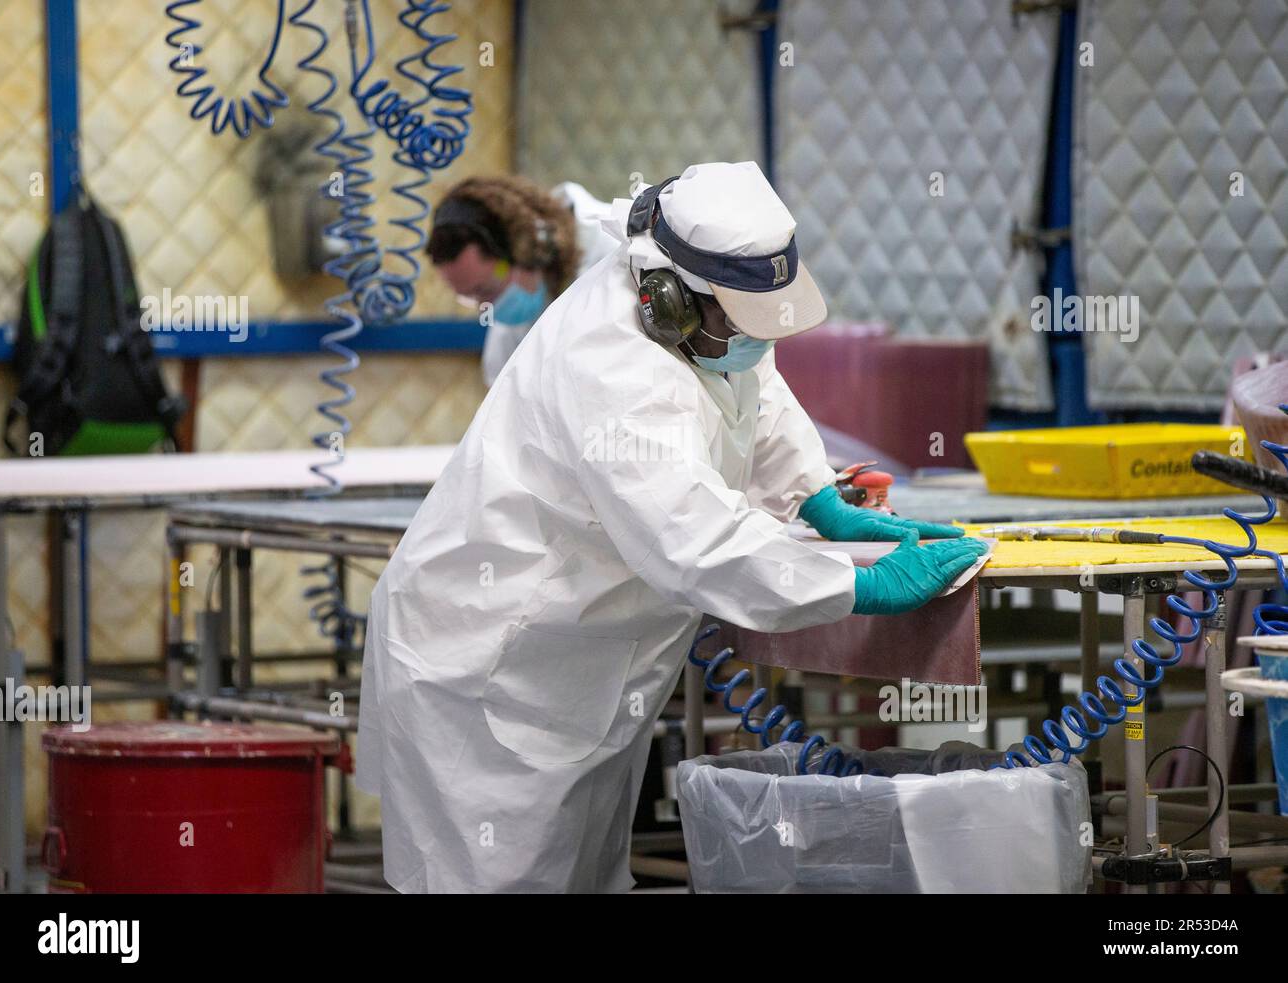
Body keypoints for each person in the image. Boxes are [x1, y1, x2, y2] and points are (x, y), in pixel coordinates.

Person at [357, 161, 988, 893]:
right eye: (735, 320)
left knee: (585, 878)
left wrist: (816, 497)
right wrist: (856, 583)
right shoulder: (614, 364)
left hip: (581, 670)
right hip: (489, 671)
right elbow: (695, 539)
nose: (750, 339)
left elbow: (757, 385)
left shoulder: (710, 323)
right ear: (668, 297)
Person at [425, 175, 612, 386]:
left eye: (485, 291)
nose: (484, 308)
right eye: (470, 298)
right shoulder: (511, 333)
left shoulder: (619, 252)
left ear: (527, 251)